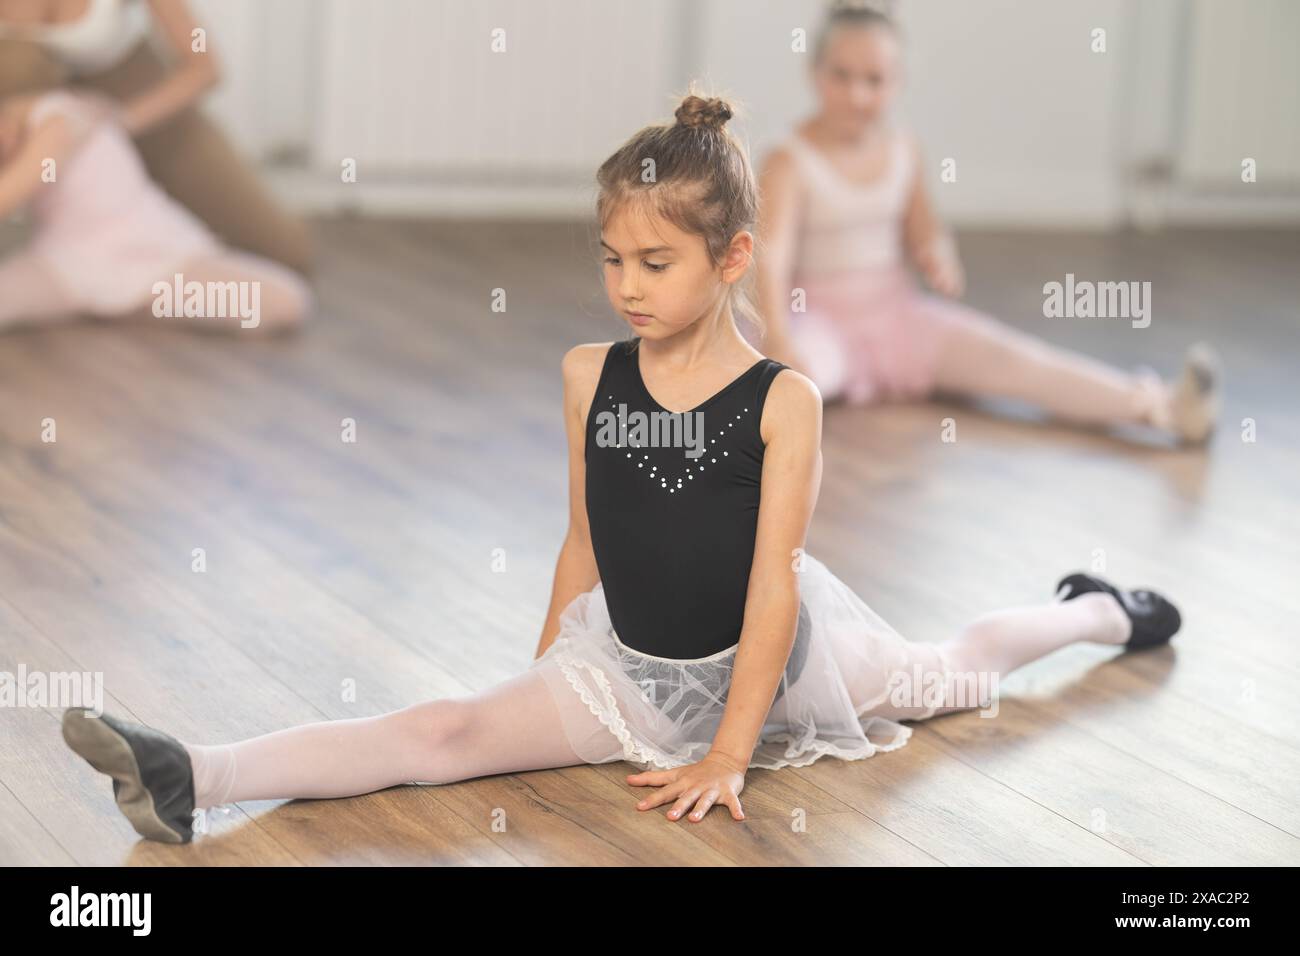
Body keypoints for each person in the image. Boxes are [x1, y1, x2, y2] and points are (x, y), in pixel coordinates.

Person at [59, 90, 1182, 843]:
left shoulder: (782, 400)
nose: (626, 284)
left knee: (959, 673)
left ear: (732, 257)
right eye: (611, 258)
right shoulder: (588, 375)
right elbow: (588, 538)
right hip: (631, 669)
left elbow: (772, 581)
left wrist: (734, 754)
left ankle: (1091, 611)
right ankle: (188, 773)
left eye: (655, 260)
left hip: (780, 661)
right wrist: (545, 673)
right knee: (443, 730)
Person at [753, 1, 1220, 444]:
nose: (858, 94)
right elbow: (771, 256)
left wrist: (939, 256)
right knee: (793, 385)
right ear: (814, 73)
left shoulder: (904, 148)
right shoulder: (789, 159)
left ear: (898, 81)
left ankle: (1163, 407)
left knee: (1014, 361)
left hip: (897, 316)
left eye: (874, 80)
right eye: (842, 76)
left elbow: (925, 231)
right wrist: (779, 335)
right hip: (818, 322)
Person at [0, 0, 313, 274]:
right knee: (18, 58)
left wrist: (118, 122)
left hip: (134, 95)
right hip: (20, 108)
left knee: (284, 251)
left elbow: (205, 68)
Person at [0, 87, 310, 331]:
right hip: (67, 268)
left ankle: (135, 305)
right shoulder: (62, 114)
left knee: (286, 301)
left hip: (151, 257)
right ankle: (122, 305)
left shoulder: (58, 120)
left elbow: (10, 193)